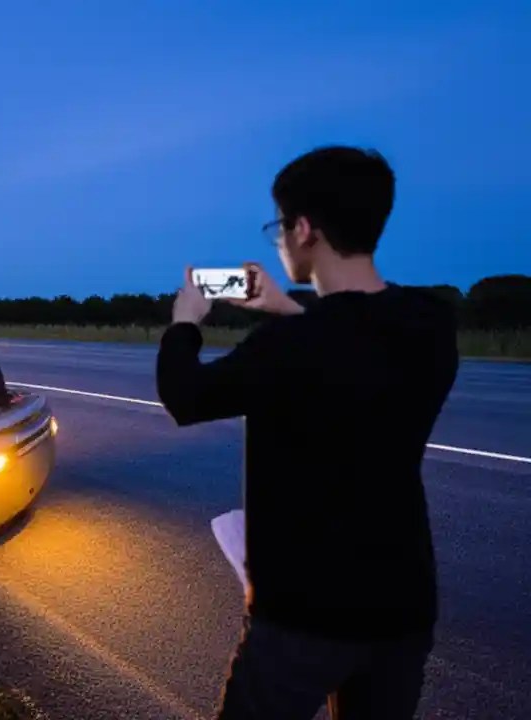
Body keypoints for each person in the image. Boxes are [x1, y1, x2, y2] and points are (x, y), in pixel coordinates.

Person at [155, 145, 459, 719]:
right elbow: (354, 338)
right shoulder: (431, 325)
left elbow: (185, 397)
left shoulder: (286, 348)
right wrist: (283, 306)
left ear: (303, 229)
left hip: (301, 617)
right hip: (403, 605)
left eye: (279, 225)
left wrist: (184, 323)